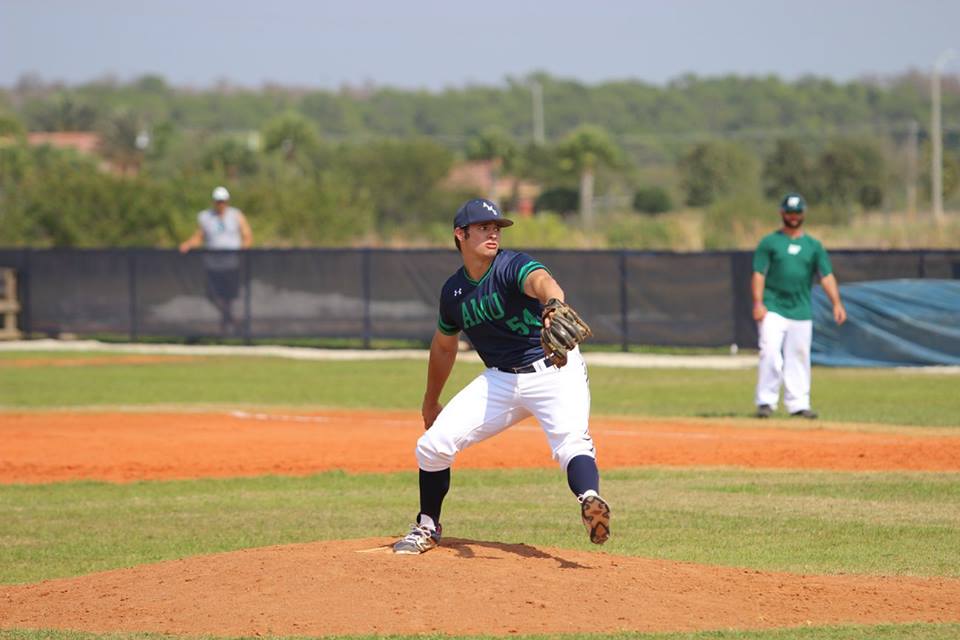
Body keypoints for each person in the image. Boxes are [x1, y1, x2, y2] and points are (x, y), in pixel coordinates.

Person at [392, 198, 609, 555]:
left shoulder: (512, 265)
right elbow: (444, 348)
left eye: (496, 227)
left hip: (554, 370)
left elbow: (544, 282)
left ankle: (591, 501)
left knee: (571, 443)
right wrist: (431, 400)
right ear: (460, 235)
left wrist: (553, 304)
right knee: (432, 446)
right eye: (483, 227)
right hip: (501, 379)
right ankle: (427, 527)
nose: (493, 233)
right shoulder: (453, 293)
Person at [752, 192, 846, 419]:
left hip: (801, 309)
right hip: (773, 307)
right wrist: (758, 302)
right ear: (782, 213)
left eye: (797, 212)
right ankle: (766, 401)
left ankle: (798, 404)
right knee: (770, 352)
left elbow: (826, 276)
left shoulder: (813, 246)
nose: (793, 216)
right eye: (789, 212)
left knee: (799, 356)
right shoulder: (770, 242)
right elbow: (758, 274)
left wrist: (836, 303)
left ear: (803, 214)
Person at [179, 186, 253, 335]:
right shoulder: (206, 217)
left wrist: (242, 251)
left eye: (223, 201)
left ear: (227, 201)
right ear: (214, 201)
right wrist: (188, 244)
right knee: (212, 295)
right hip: (213, 264)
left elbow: (247, 235)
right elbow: (199, 236)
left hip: (231, 263)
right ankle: (231, 320)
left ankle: (225, 326)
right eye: (218, 201)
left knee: (229, 297)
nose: (221, 204)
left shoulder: (236, 215)